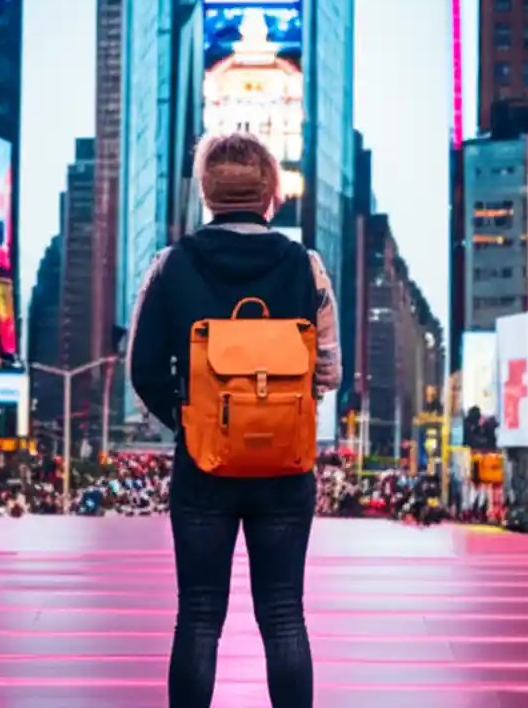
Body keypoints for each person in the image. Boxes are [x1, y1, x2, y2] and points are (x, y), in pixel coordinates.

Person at [128, 132, 340, 708]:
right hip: (285, 468)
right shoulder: (307, 267)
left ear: (206, 193)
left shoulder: (171, 265)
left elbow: (142, 368)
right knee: (284, 616)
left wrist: (191, 420)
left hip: (203, 467)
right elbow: (329, 370)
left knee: (198, 615)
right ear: (272, 193)